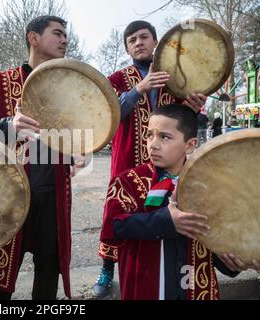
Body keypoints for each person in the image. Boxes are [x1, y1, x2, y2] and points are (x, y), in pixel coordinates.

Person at [93, 20, 208, 298]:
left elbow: (187, 122)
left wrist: (194, 106)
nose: (138, 43)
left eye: (143, 37)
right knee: (118, 211)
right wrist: (138, 89)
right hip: (127, 162)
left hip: (167, 163)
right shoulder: (118, 79)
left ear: (156, 41)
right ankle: (108, 268)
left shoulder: (177, 78)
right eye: (131, 40)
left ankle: (169, 270)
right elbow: (107, 116)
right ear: (127, 47)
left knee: (170, 210)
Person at [100, 104, 260, 300]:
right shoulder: (128, 181)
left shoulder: (211, 186)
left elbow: (215, 236)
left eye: (164, 137)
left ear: (190, 145)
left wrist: (231, 261)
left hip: (195, 287)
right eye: (149, 135)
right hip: (147, 287)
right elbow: (113, 226)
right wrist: (166, 221)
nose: (153, 144)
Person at [0, 15, 74, 300]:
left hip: (53, 190)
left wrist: (79, 149)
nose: (64, 40)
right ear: (34, 38)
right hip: (6, 192)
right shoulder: (1, 82)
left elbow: (88, 127)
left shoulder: (69, 85)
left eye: (64, 35)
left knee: (48, 268)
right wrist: (9, 126)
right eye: (57, 33)